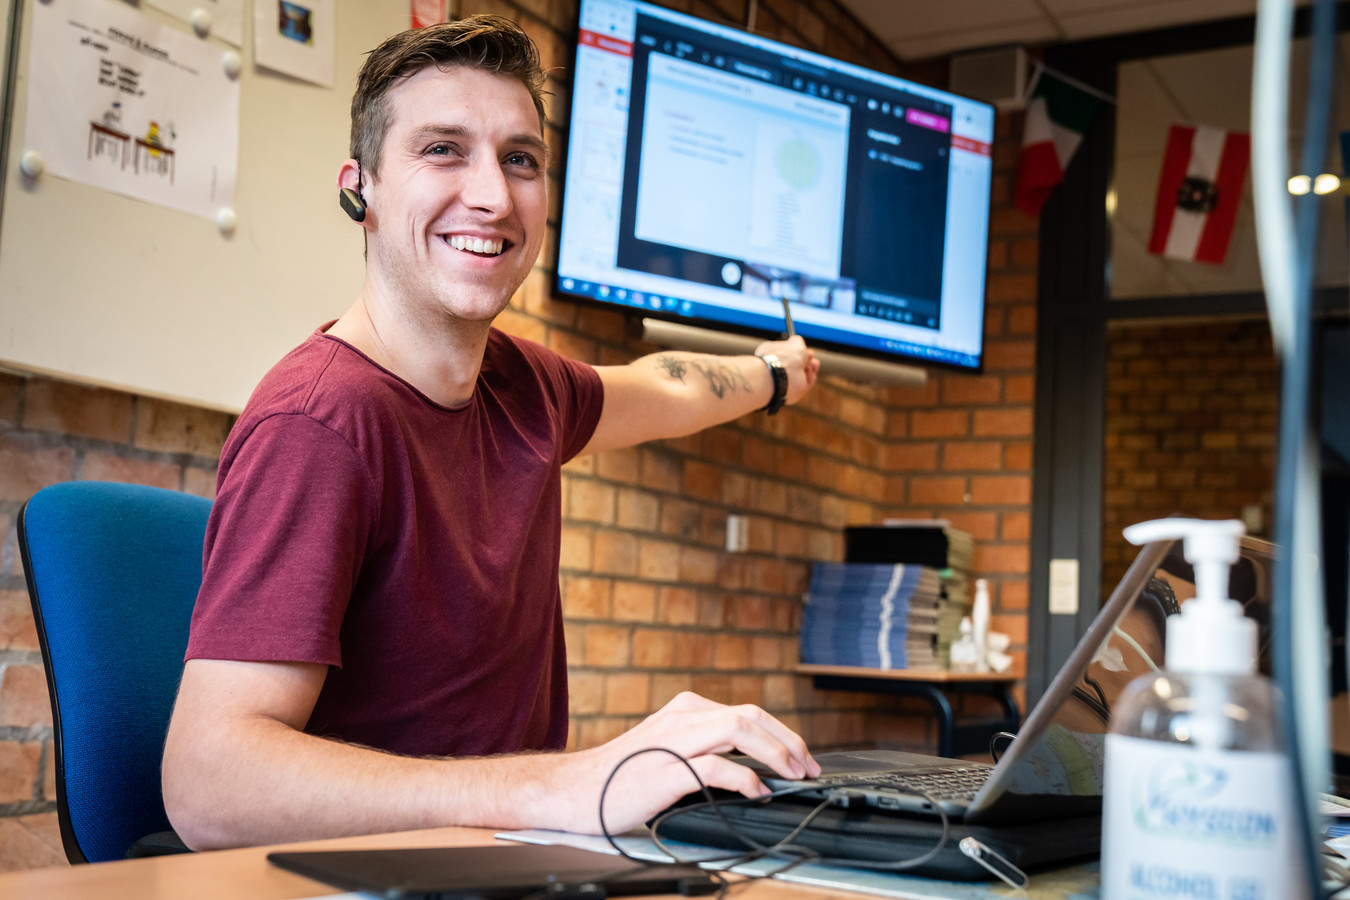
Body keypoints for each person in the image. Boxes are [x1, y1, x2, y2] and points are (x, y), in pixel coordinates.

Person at [162, 15, 822, 851]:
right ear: (358, 186)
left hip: (509, 860)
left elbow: (663, 386)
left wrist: (772, 376)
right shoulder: (319, 423)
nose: (494, 196)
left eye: (521, 160)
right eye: (443, 150)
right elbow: (208, 785)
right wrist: (566, 783)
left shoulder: (522, 387)